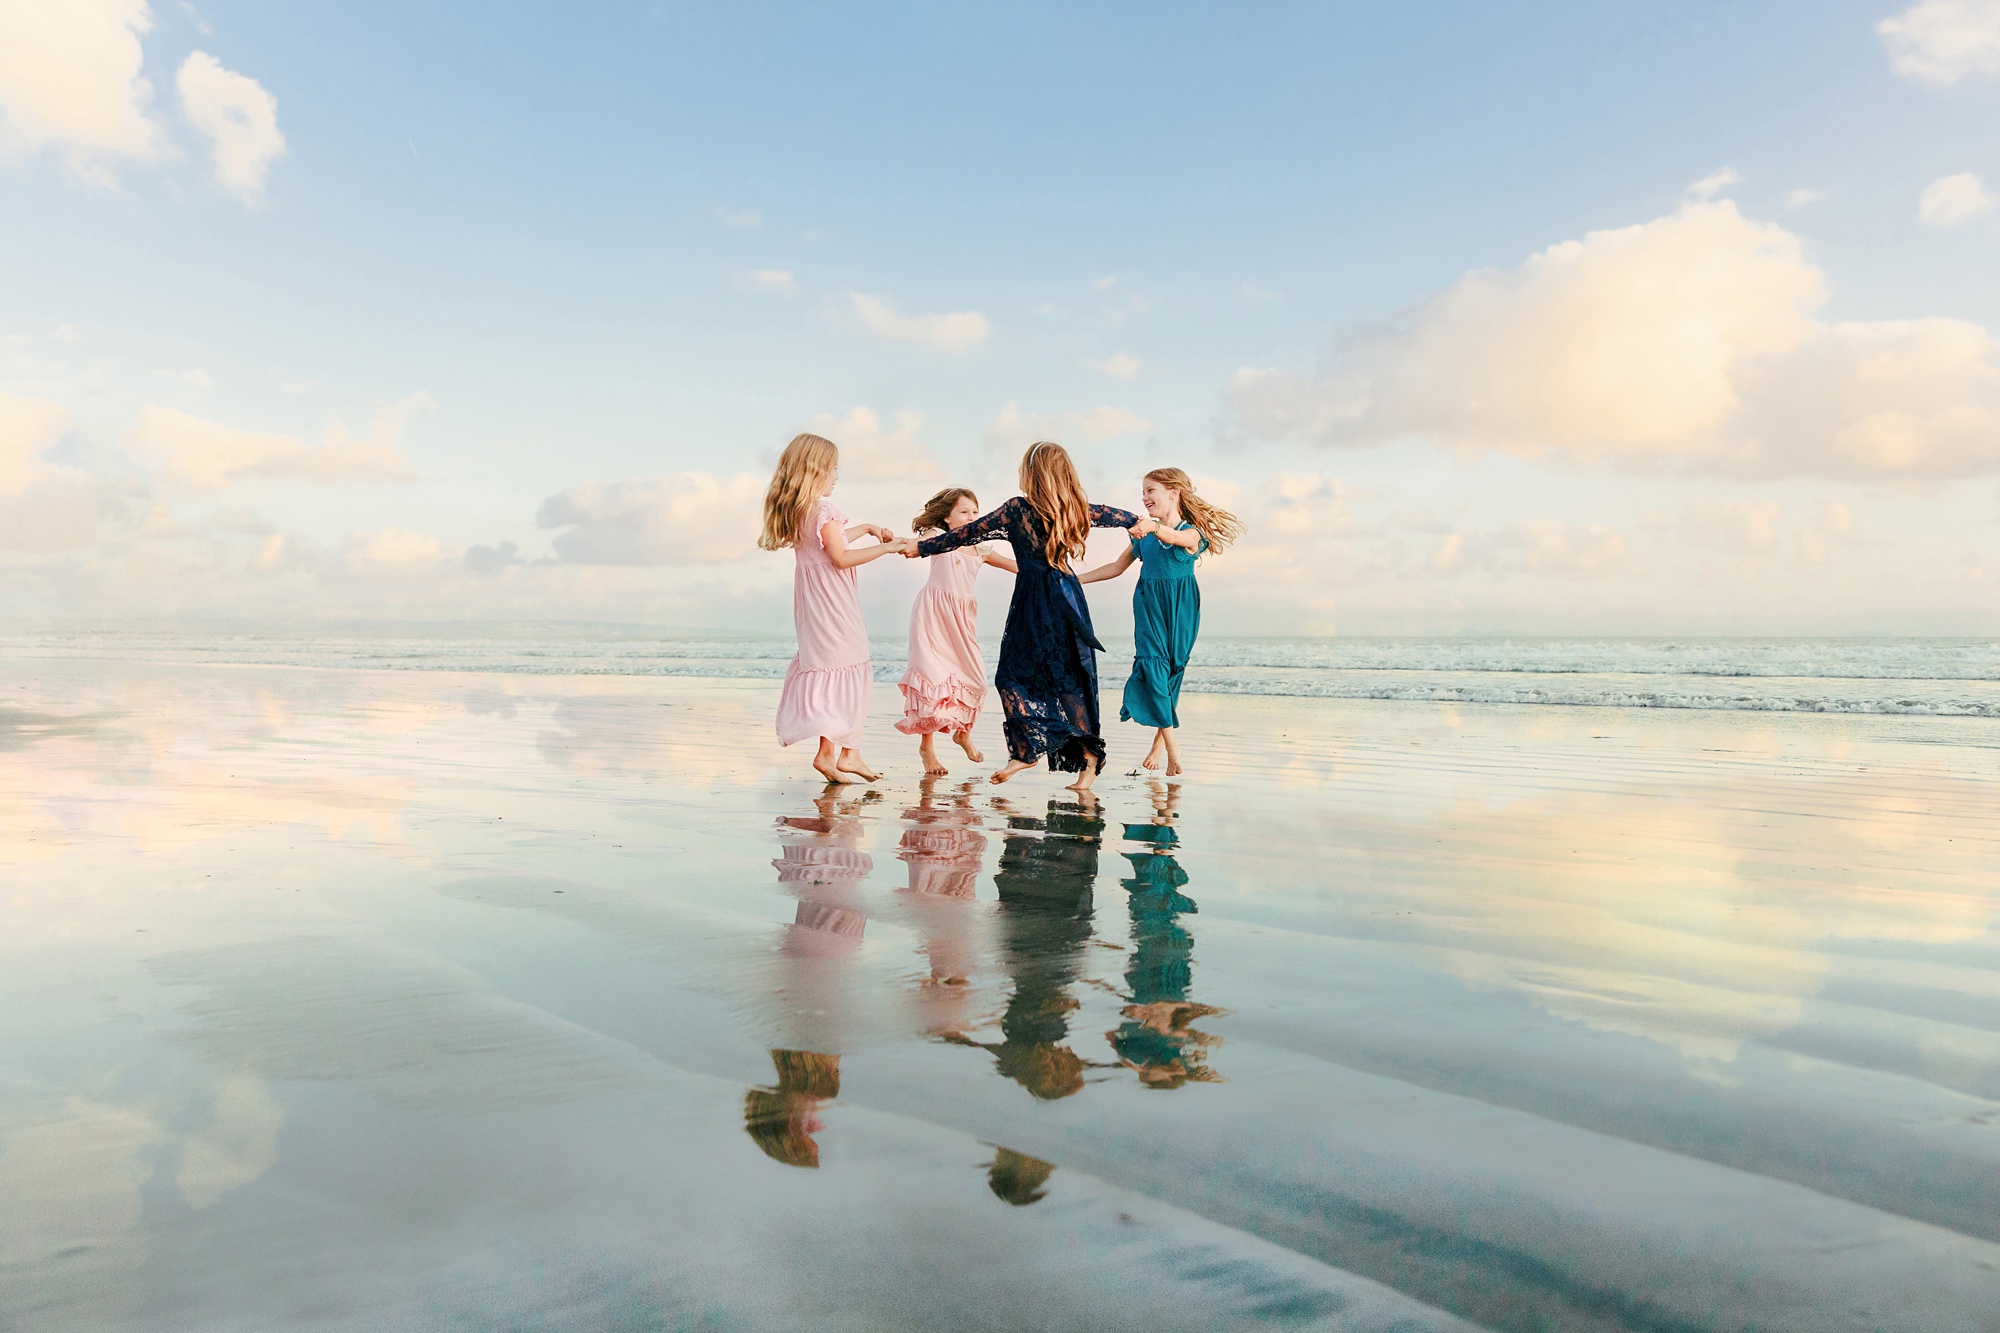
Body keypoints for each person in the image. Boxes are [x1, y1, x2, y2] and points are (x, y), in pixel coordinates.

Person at [909, 442, 1154, 792]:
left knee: (1039, 676)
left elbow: (968, 532)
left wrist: (921, 548)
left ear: (1032, 473)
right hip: (1052, 593)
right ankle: (1034, 751)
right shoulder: (1058, 508)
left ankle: (1077, 758)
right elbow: (1112, 514)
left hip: (1045, 595)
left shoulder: (1022, 508)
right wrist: (1136, 521)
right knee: (1028, 676)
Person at [757, 432, 905, 784]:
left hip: (812, 605)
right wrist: (887, 548)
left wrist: (867, 528)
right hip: (835, 603)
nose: (837, 476)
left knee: (831, 672)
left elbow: (828, 544)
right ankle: (848, 754)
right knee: (854, 669)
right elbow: (839, 557)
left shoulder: (799, 510)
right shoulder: (823, 508)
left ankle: (829, 755)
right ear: (816, 469)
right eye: (834, 469)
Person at [1079, 467, 1242, 775]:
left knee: (1172, 673)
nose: (1144, 497)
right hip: (1148, 607)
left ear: (1173, 492)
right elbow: (1116, 566)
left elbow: (1178, 537)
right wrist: (1078, 580)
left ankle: (1158, 742)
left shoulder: (1192, 532)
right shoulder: (1144, 537)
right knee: (1152, 666)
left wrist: (1152, 527)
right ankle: (1172, 746)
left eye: (1150, 490)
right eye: (1143, 492)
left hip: (1182, 609)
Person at [895, 487, 1018, 775]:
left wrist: (1049, 567)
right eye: (964, 512)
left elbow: (1018, 567)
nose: (972, 517)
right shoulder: (939, 539)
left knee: (976, 680)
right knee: (931, 678)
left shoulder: (982, 547)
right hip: (933, 615)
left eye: (975, 512)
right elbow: (914, 544)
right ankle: (927, 747)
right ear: (947, 519)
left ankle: (963, 732)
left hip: (962, 618)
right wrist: (892, 542)